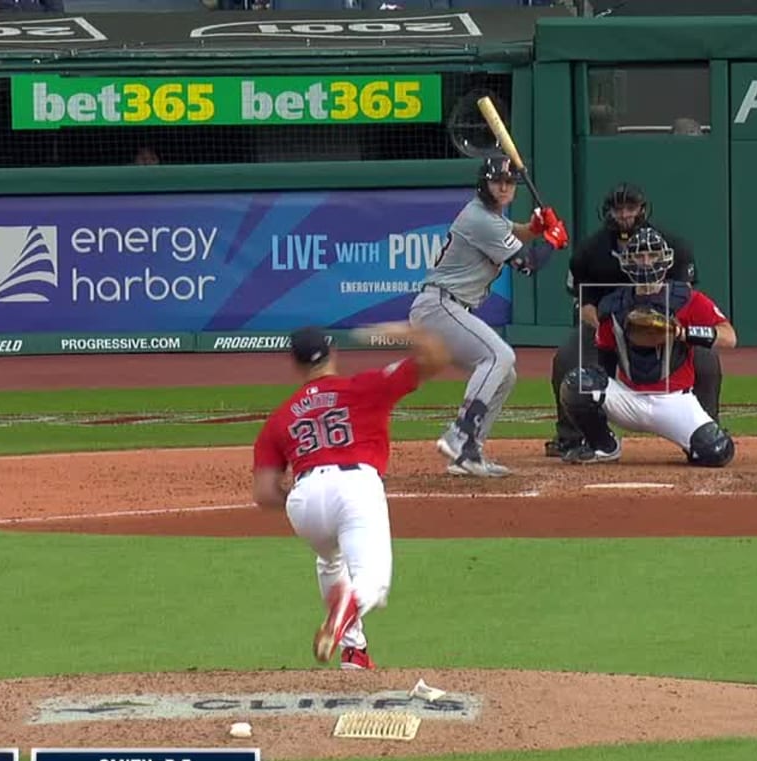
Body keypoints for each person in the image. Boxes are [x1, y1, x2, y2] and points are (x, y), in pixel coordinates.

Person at [250, 322, 449, 670]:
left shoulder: (280, 417)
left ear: (295, 365)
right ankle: (344, 614)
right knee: (371, 584)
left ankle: (354, 652)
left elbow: (264, 493)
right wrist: (409, 333)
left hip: (305, 498)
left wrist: (302, 499)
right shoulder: (364, 387)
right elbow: (435, 358)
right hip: (355, 487)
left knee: (330, 560)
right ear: (332, 354)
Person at [409, 155, 568, 478]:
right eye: (498, 181)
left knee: (504, 373)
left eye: (510, 183)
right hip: (439, 306)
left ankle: (469, 452)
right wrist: (552, 240)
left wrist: (536, 229)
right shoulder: (480, 218)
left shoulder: (491, 219)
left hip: (446, 308)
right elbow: (527, 264)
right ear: (484, 183)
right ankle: (459, 432)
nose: (505, 187)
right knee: (499, 355)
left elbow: (516, 235)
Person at [545, 183, 722, 458]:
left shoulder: (673, 245)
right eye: (619, 209)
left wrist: (661, 328)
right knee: (568, 359)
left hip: (665, 327)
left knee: (706, 360)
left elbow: (686, 297)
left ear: (642, 209)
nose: (625, 214)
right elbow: (585, 303)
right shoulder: (591, 250)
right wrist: (614, 331)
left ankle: (708, 427)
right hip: (609, 322)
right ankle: (573, 437)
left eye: (630, 208)